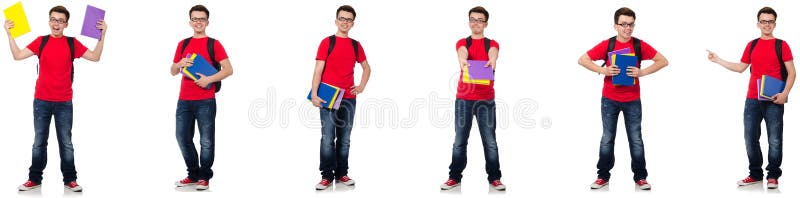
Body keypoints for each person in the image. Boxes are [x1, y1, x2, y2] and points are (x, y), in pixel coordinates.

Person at [5, 5, 107, 192]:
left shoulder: (72, 43)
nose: (56, 23)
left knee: (66, 142)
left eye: (60, 20)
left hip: (64, 102)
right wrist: (9, 34)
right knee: (39, 142)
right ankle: (34, 179)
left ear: (66, 24)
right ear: (49, 21)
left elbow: (95, 57)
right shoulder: (40, 41)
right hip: (41, 101)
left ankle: (70, 180)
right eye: (53, 19)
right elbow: (17, 56)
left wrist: (102, 36)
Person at [577, 7, 668, 190]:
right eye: (624, 24)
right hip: (609, 99)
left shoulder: (639, 45)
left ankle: (640, 178)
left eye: (631, 24)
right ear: (615, 26)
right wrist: (603, 70)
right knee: (607, 138)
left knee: (635, 139)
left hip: (633, 100)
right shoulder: (607, 44)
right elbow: (582, 60)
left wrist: (642, 72)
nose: (628, 28)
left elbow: (663, 61)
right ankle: (603, 176)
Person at [707, 6, 795, 190]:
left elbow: (792, 73)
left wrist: (785, 93)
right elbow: (740, 68)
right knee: (750, 138)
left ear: (775, 24)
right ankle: (755, 174)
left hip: (774, 100)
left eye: (770, 21)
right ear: (758, 24)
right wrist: (718, 60)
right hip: (752, 99)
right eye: (764, 21)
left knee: (775, 139)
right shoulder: (752, 44)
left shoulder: (782, 45)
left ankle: (773, 176)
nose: (767, 24)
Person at [440, 6, 506, 191]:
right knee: (460, 140)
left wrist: (493, 60)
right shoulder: (463, 42)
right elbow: (462, 52)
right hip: (464, 99)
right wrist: (462, 59)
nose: (475, 23)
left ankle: (495, 178)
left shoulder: (492, 43)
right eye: (472, 19)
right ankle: (454, 177)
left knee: (490, 141)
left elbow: (494, 52)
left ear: (486, 23)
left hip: (486, 100)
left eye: (479, 20)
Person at [170, 4, 234, 191]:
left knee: (206, 140)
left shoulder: (214, 44)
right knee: (182, 137)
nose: (198, 22)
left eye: (202, 19)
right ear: (190, 22)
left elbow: (229, 69)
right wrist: (179, 63)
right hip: (184, 100)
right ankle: (193, 174)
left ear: (207, 22)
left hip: (205, 100)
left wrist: (209, 79)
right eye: (195, 19)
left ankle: (204, 177)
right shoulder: (182, 44)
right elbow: (173, 71)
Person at [310, 5, 371, 190]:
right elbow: (318, 70)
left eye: (348, 19)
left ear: (353, 23)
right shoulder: (327, 42)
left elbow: (367, 67)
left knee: (344, 138)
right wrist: (314, 94)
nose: (345, 22)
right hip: (328, 95)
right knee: (327, 137)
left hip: (348, 97)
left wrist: (361, 86)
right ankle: (327, 176)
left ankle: (342, 174)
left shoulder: (356, 45)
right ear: (336, 21)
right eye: (342, 18)